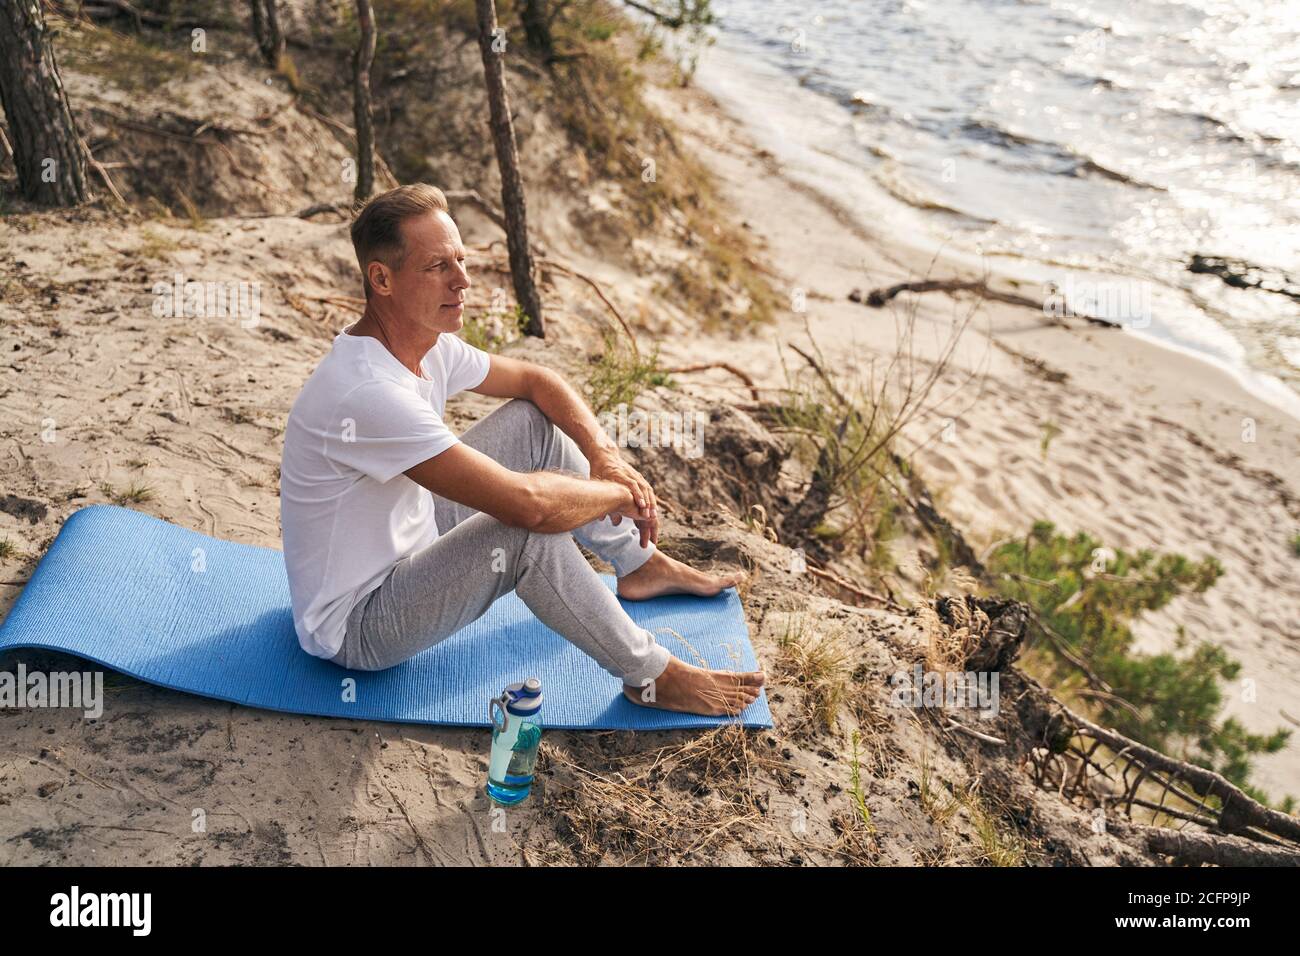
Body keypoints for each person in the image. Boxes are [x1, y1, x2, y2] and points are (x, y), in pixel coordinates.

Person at [279, 184, 764, 715]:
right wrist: (611, 494)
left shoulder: (425, 344)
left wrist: (605, 458)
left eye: (461, 260)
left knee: (535, 424)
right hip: (359, 623)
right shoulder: (367, 393)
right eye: (438, 267)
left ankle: (639, 565)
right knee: (522, 535)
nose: (462, 281)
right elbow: (527, 507)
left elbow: (539, 381)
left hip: (411, 538)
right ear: (382, 279)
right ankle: (650, 676)